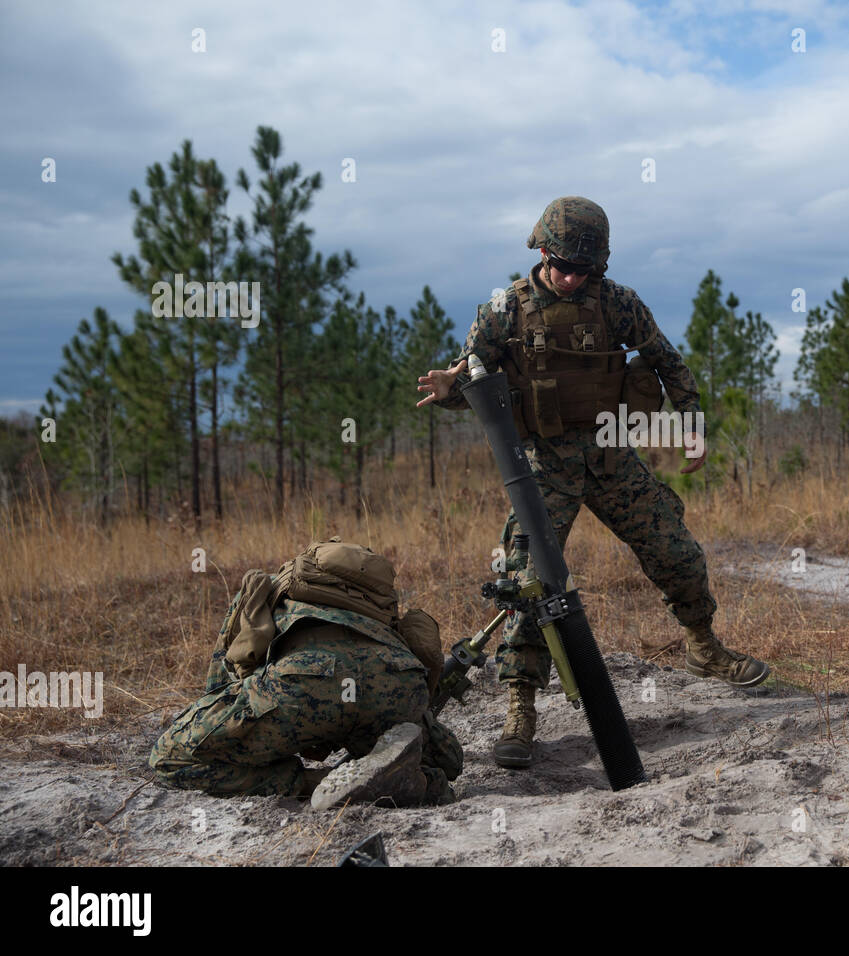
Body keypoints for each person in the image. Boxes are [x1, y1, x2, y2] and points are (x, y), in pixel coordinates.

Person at [417, 196, 769, 769]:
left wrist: (691, 424)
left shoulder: (619, 303)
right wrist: (449, 388)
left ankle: (704, 648)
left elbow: (666, 361)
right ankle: (520, 705)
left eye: (586, 269)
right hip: (543, 464)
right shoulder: (504, 310)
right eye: (563, 265)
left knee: (674, 548)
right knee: (529, 581)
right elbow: (471, 376)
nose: (573, 277)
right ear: (541, 251)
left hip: (609, 451)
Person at [150, 548, 463, 810]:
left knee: (170, 757)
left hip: (308, 681)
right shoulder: (377, 603)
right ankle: (425, 782)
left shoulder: (267, 587)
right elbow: (453, 760)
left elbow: (228, 674)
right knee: (431, 756)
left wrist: (224, 720)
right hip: (395, 679)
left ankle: (319, 782)